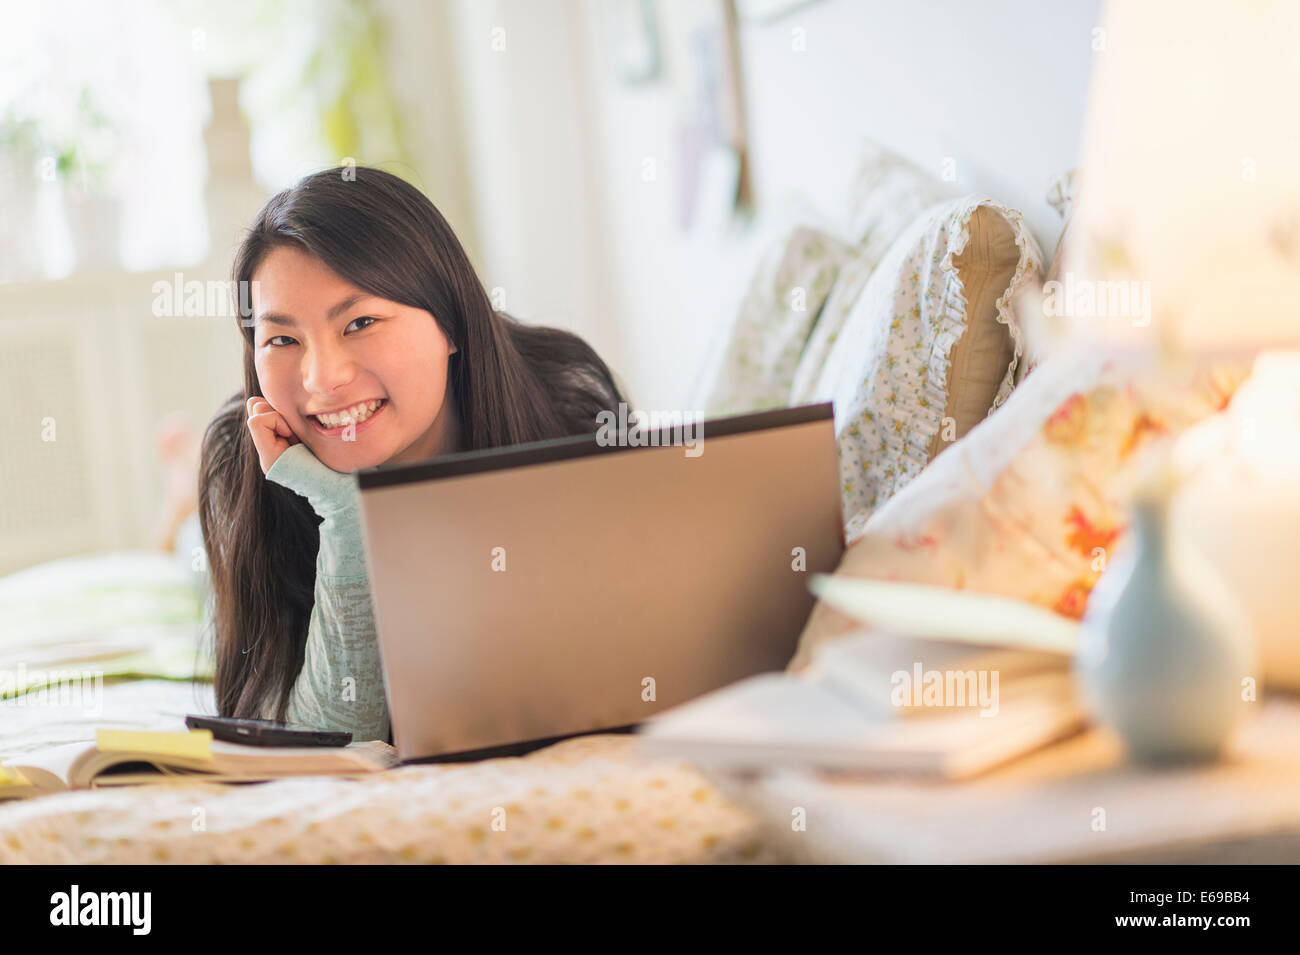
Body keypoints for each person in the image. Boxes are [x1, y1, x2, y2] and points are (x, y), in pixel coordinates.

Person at [198, 166, 628, 742]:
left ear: (451, 322)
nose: (322, 380)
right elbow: (323, 749)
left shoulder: (568, 399)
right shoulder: (243, 460)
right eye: (281, 339)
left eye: (361, 322)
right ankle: (178, 504)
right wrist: (345, 516)